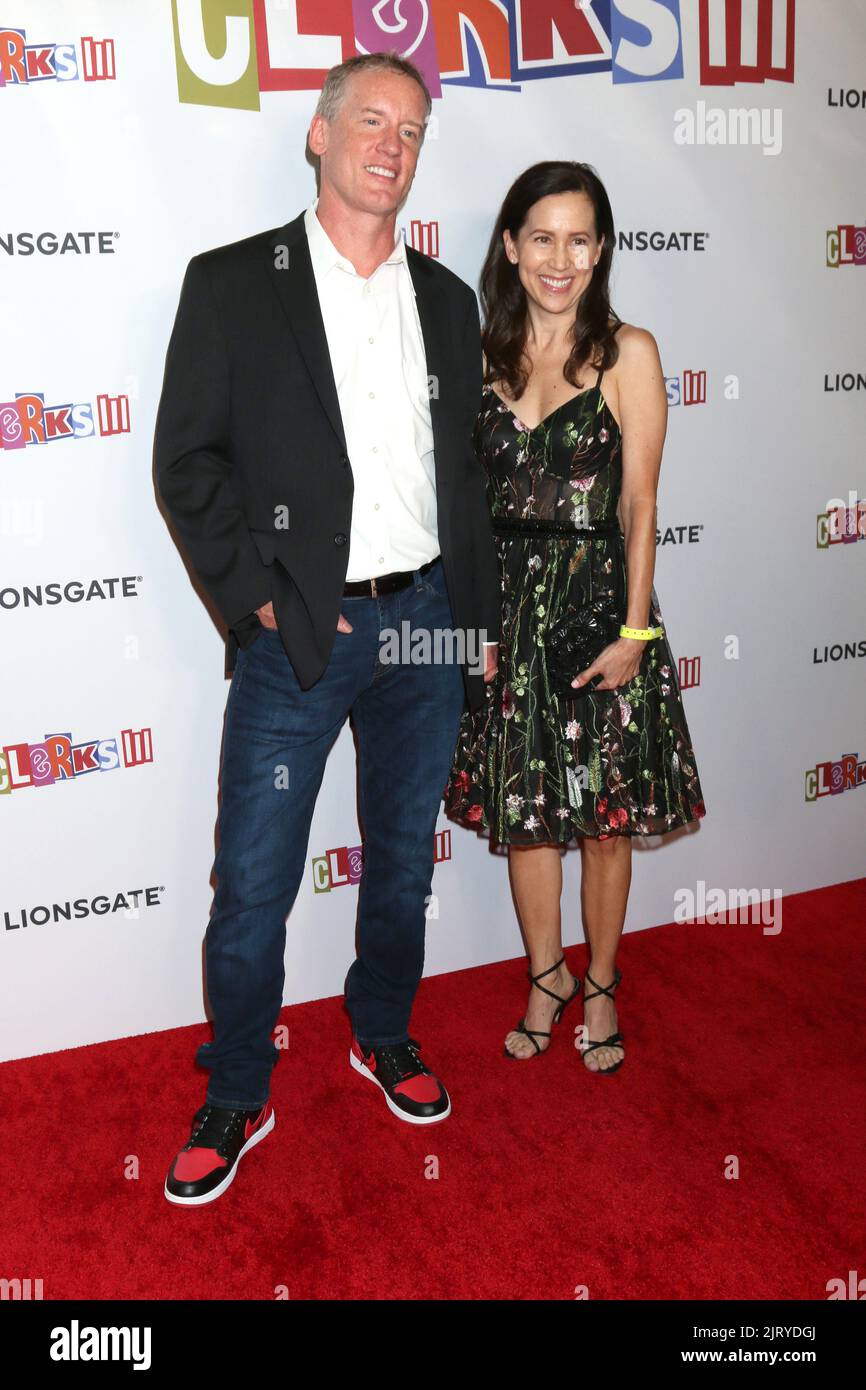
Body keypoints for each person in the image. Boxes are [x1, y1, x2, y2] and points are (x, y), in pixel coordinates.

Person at [154, 52, 500, 1206]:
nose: (391, 144)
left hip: (428, 624)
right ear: (317, 134)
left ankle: (380, 1029)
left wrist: (475, 618)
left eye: (410, 129)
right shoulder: (232, 283)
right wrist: (254, 595)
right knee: (253, 880)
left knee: (401, 860)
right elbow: (187, 459)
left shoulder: (448, 303)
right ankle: (237, 1086)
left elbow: (465, 481)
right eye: (369, 120)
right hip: (299, 629)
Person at [444, 161, 706, 1073]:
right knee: (526, 815)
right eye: (543, 237)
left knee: (602, 819)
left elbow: (640, 503)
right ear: (511, 246)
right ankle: (545, 974)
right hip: (508, 612)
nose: (562, 259)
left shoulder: (628, 351)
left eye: (581, 238)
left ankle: (600, 983)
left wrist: (635, 633)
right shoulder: (479, 356)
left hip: (598, 609)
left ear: (601, 250)